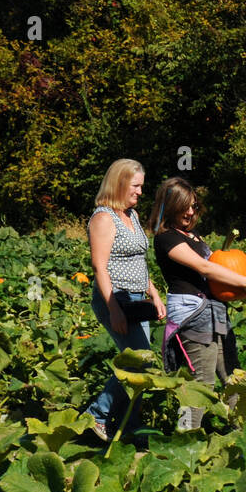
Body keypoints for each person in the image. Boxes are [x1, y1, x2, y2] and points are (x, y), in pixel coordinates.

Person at [149, 177, 246, 429]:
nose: (190, 212)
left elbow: (217, 273)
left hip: (214, 313)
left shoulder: (193, 235)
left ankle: (243, 434)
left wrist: (242, 288)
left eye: (194, 206)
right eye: (184, 206)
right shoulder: (166, 238)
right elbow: (204, 267)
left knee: (233, 377)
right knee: (201, 385)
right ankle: (186, 437)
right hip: (192, 316)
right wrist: (242, 282)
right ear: (169, 206)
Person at [83, 158, 166, 445]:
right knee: (138, 362)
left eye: (142, 186)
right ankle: (97, 413)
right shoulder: (104, 218)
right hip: (115, 297)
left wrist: (153, 292)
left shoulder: (133, 216)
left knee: (140, 364)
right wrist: (113, 309)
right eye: (136, 186)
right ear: (119, 183)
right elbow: (99, 266)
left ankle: (130, 427)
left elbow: (138, 262)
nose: (141, 192)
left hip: (137, 297)